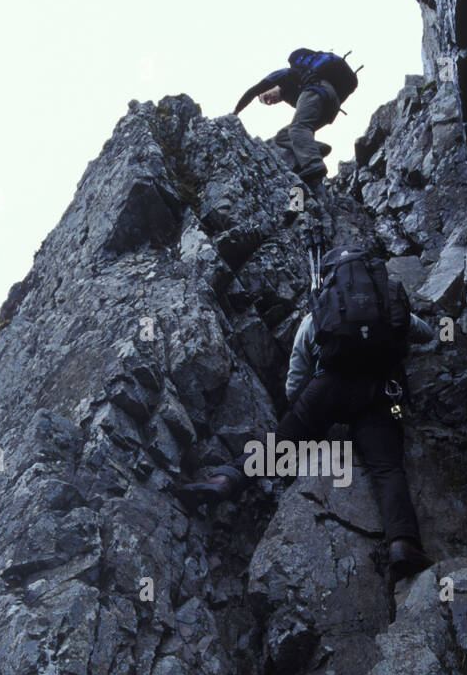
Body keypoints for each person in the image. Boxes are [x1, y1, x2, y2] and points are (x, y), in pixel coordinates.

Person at [178, 247, 435, 580]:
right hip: (378, 392)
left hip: (326, 389)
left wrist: (307, 417)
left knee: (278, 447)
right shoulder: (386, 302)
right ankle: (402, 544)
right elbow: (424, 333)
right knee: (386, 469)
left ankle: (226, 479)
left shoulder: (321, 313)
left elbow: (294, 380)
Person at [234, 49, 357, 187]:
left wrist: (235, 112)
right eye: (267, 102)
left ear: (271, 87)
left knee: (298, 128)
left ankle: (313, 163)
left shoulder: (285, 74)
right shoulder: (292, 95)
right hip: (331, 103)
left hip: (319, 89)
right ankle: (317, 148)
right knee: (283, 136)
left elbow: (253, 91)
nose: (270, 101)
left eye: (266, 96)